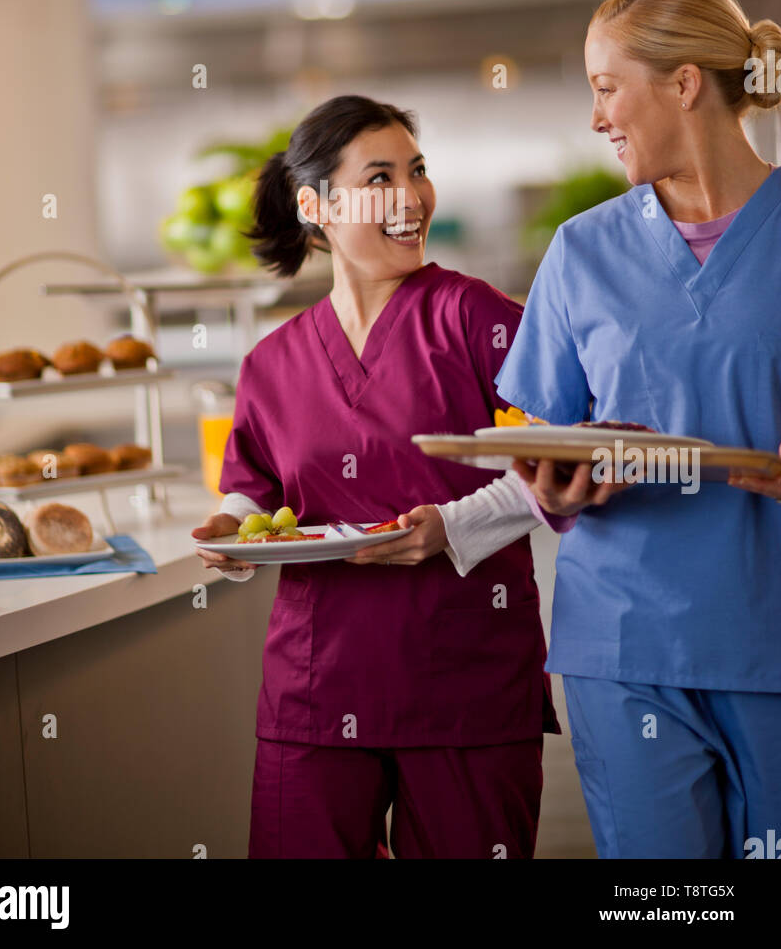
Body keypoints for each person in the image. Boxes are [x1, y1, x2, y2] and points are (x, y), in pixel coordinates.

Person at [393, 0, 781, 859]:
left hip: (771, 637)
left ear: (683, 84)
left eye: (607, 87)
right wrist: (558, 486)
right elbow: (542, 446)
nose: (597, 117)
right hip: (624, 646)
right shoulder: (583, 250)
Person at [193, 94, 568, 859]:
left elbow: (563, 456)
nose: (411, 197)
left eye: (418, 170)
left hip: (463, 683)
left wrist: (452, 527)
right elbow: (255, 485)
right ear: (316, 205)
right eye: (380, 177)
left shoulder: (477, 319)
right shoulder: (272, 360)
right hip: (316, 689)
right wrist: (231, 526)